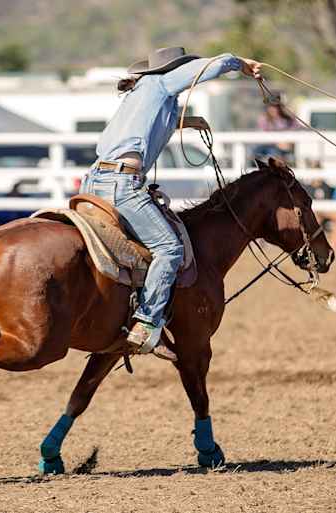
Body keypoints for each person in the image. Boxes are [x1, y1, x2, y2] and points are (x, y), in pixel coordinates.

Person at [79, 47, 261, 361]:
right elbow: (209, 68)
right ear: (174, 70)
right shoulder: (162, 83)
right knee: (169, 248)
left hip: (93, 182)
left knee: (136, 251)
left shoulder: (139, 95)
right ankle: (146, 323)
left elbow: (154, 123)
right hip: (121, 185)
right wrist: (239, 62)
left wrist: (187, 122)